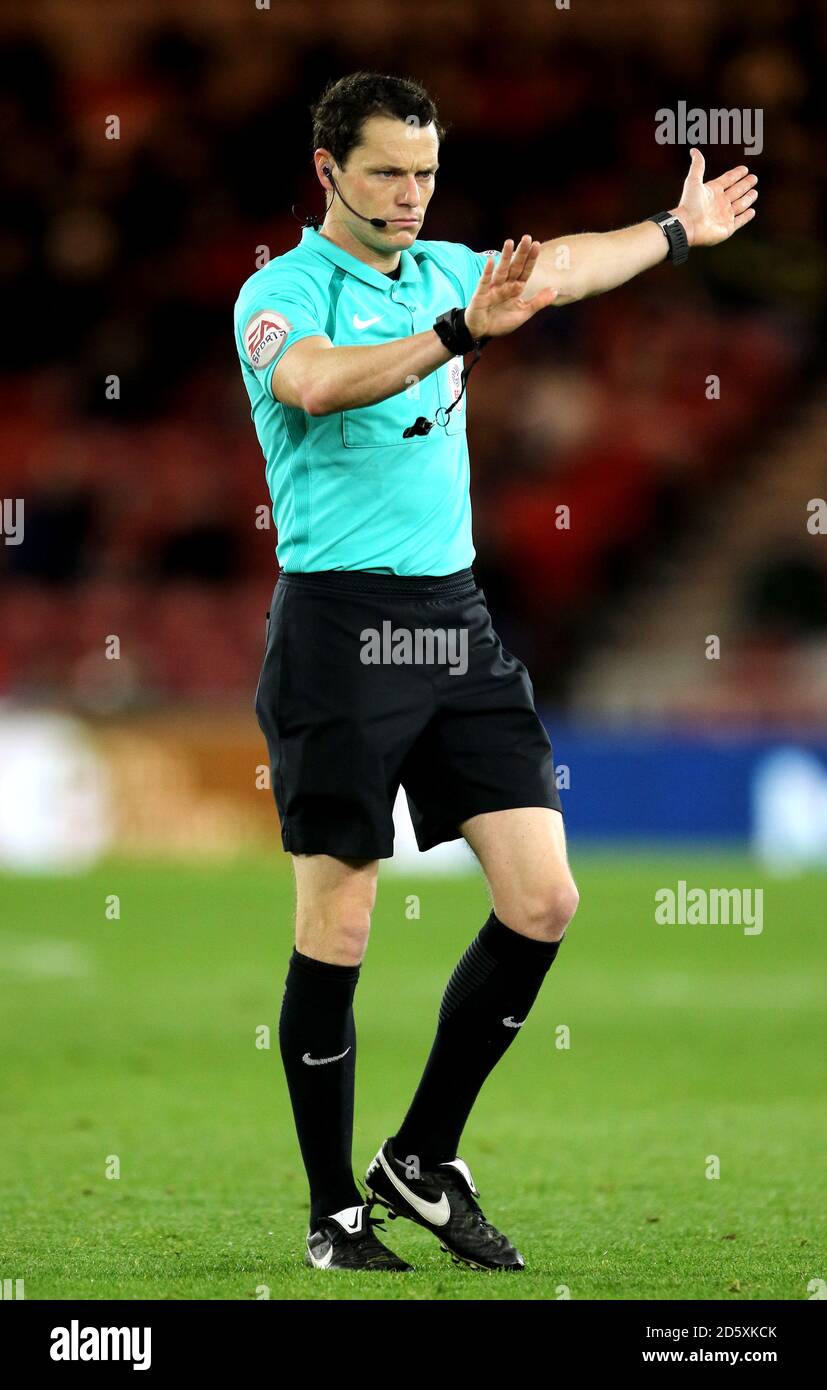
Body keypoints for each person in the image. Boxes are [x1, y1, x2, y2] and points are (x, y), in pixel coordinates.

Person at [233, 71, 758, 1272]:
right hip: (338, 632)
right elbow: (315, 382)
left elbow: (563, 265)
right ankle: (331, 1216)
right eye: (386, 173)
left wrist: (675, 231)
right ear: (327, 171)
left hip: (453, 621)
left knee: (543, 898)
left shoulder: (442, 266)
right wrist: (463, 333)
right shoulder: (283, 292)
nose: (412, 196)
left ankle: (418, 1156)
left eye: (424, 172)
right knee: (341, 922)